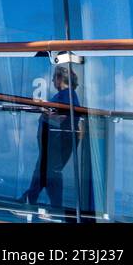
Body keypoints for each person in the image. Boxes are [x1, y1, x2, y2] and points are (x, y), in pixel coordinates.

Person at [21, 64, 83, 213]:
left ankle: (45, 203)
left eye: (55, 77)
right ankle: (32, 199)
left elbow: (63, 118)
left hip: (56, 142)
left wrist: (44, 112)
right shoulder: (66, 95)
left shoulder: (67, 95)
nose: (53, 81)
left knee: (49, 171)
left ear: (60, 78)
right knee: (43, 170)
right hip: (53, 141)